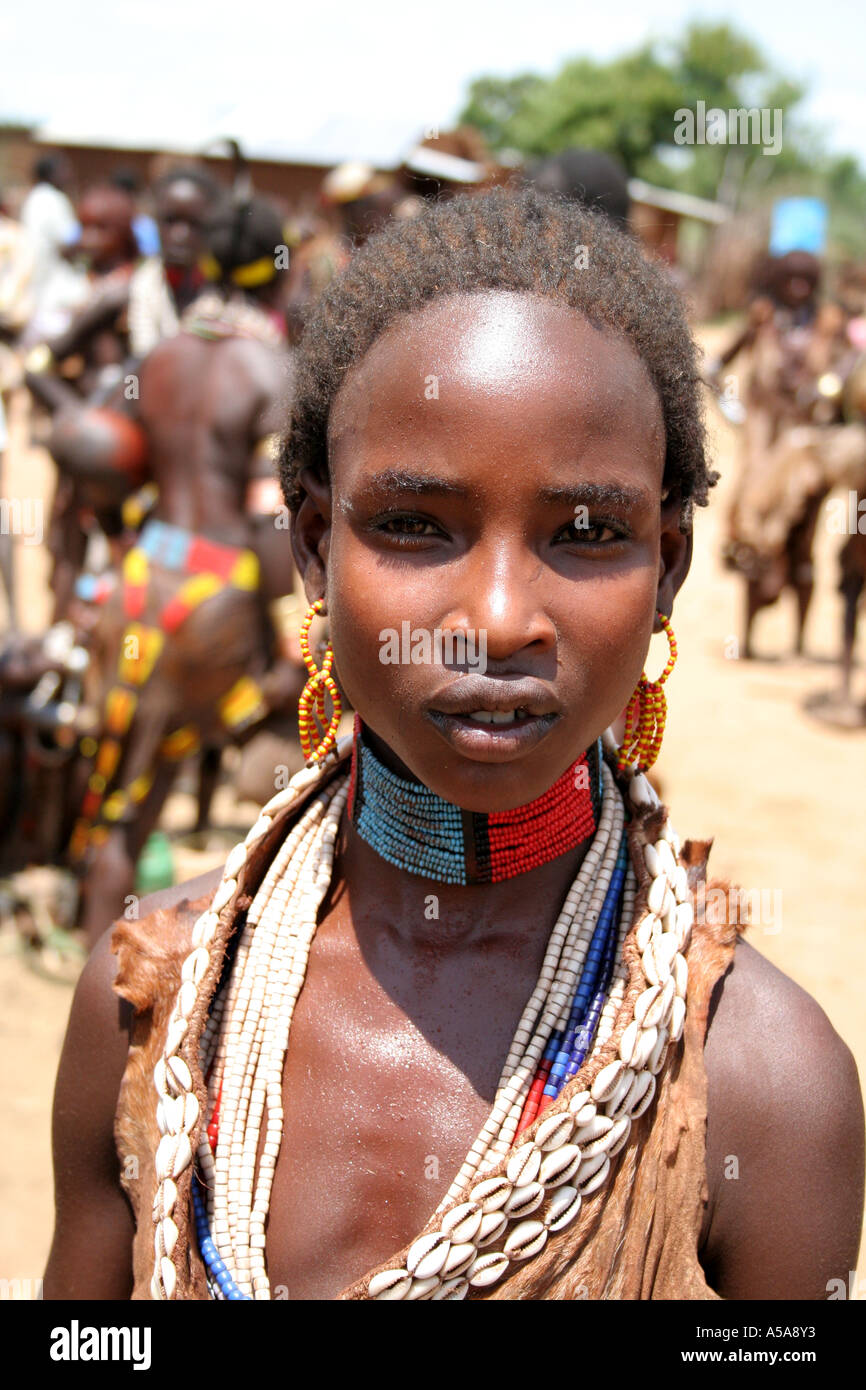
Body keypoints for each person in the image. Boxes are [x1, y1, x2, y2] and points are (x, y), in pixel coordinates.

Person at [45, 188, 863, 1301]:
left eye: (585, 534)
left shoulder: (755, 1081)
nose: (493, 617)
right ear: (312, 546)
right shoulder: (158, 1004)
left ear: (667, 565)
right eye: (414, 525)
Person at [63, 194, 300, 944]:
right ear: (279, 278)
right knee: (306, 734)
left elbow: (97, 459)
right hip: (219, 596)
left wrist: (103, 549)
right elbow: (270, 522)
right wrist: (292, 627)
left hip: (142, 580)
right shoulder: (272, 371)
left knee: (124, 803)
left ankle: (93, 972)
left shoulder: (160, 358)